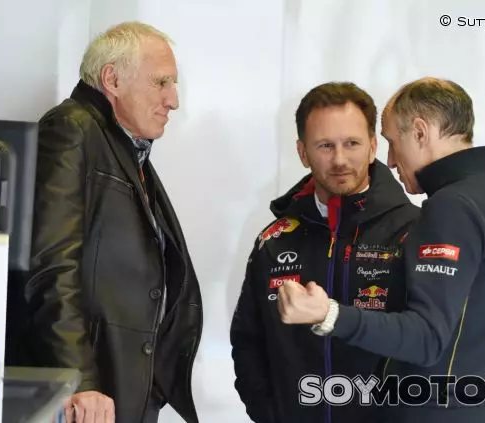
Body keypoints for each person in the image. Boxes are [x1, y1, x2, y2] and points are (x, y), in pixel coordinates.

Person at [277, 77, 485, 423]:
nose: (388, 159)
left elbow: (427, 338)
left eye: (390, 141)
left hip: (437, 411)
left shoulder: (453, 206)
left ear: (420, 132)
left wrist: (328, 314)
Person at [24, 21, 203, 423]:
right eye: (162, 83)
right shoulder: (72, 129)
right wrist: (80, 379)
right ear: (112, 79)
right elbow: (52, 266)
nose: (173, 100)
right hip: (87, 399)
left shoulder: (122, 146)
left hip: (120, 390)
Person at [230, 82, 420, 423]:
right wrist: (271, 414)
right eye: (324, 146)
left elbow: (432, 341)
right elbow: (247, 343)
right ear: (303, 152)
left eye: (352, 143)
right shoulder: (275, 241)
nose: (339, 159)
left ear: (374, 145)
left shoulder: (413, 231)